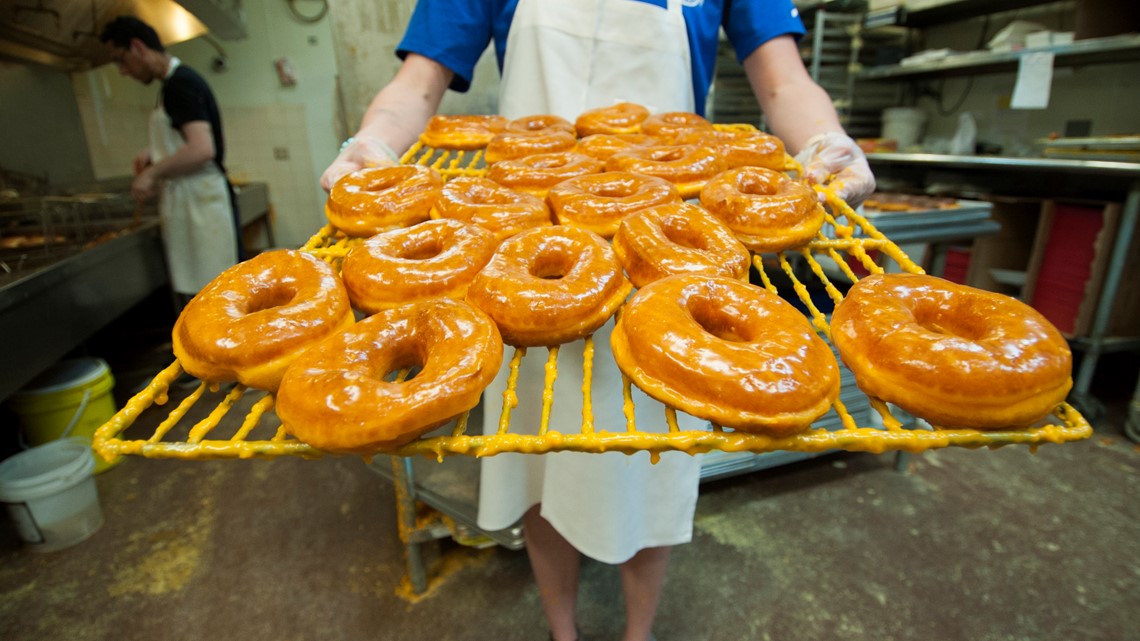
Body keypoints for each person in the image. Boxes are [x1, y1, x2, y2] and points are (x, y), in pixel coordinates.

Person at [321, 3, 875, 640]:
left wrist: (825, 139)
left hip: (674, 257)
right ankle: (564, 632)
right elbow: (419, 84)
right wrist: (372, 145)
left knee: (654, 472)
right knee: (539, 462)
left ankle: (637, 634)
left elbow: (783, 81)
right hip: (523, 263)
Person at [100, 16, 242, 306]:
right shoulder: (172, 85)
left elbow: (202, 148)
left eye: (120, 59)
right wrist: (153, 151)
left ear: (138, 47)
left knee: (218, 297)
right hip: (193, 201)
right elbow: (184, 136)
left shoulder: (180, 84)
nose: (123, 71)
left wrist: (151, 174)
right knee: (207, 296)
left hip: (201, 204)